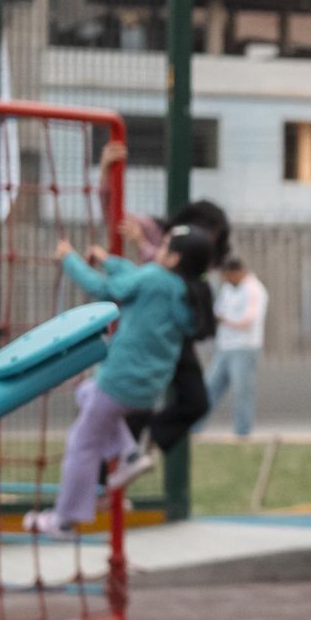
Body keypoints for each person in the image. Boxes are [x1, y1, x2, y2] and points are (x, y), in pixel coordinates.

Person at [28, 226, 214, 538]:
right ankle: (130, 453)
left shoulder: (156, 280)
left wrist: (69, 259)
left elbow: (105, 290)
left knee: (81, 445)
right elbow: (135, 279)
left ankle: (63, 520)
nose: (157, 250)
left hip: (118, 381)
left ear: (174, 257)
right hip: (147, 389)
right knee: (86, 392)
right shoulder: (183, 289)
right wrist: (107, 259)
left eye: (163, 245)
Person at [95, 139, 230, 490]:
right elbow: (115, 214)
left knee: (195, 400)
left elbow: (188, 289)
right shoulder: (159, 234)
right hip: (147, 331)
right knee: (131, 407)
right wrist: (107, 170)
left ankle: (149, 438)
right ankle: (103, 480)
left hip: (175, 333)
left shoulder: (198, 256)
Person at [203, 256, 266, 437]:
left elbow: (249, 319)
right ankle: (194, 428)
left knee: (242, 390)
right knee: (210, 387)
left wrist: (225, 320)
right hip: (225, 346)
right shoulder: (229, 289)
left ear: (237, 272)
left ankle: (242, 432)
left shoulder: (254, 289)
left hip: (244, 347)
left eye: (228, 276)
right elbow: (218, 310)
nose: (226, 280)